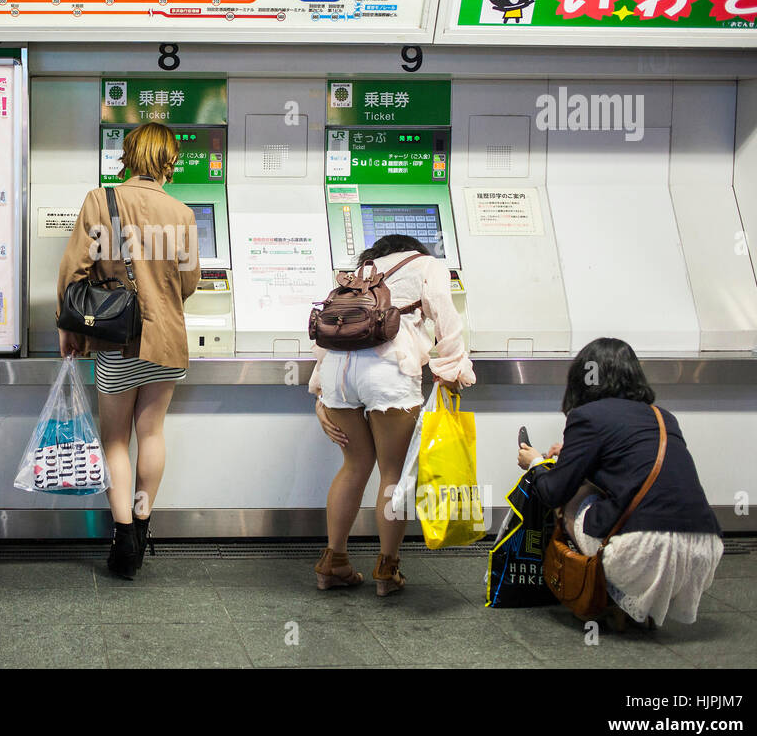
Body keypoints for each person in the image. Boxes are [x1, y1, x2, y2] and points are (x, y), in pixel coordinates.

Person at [56, 122, 199, 579]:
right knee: (151, 432)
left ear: (128, 156)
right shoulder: (182, 214)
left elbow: (73, 272)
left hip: (114, 340)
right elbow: (190, 282)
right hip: (166, 340)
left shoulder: (101, 200)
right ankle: (142, 522)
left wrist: (68, 328)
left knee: (115, 439)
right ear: (168, 162)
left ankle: (122, 538)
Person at [308, 234, 474, 595]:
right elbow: (447, 320)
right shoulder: (428, 265)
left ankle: (333, 561)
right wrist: (453, 370)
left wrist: (321, 395)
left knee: (354, 464)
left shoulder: (358, 273)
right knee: (392, 472)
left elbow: (331, 332)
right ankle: (387, 568)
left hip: (339, 372)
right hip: (389, 372)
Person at [517, 338, 723, 627]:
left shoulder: (587, 416)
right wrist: (572, 454)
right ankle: (638, 607)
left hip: (642, 549)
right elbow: (630, 466)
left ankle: (597, 593)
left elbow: (553, 491)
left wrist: (536, 464)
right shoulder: (664, 417)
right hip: (703, 550)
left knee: (574, 494)